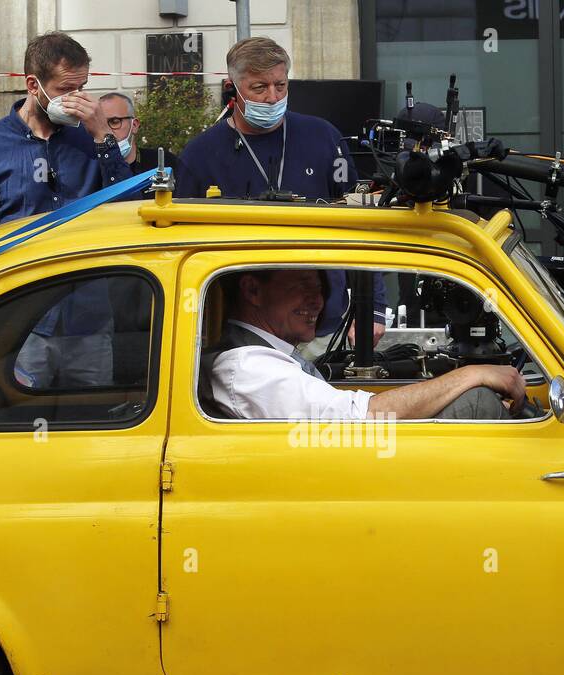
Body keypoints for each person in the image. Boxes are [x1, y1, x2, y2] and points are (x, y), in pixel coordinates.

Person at [177, 37, 382, 348]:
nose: (272, 97)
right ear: (234, 87)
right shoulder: (199, 155)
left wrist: (373, 307)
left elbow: (359, 222)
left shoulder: (324, 137)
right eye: (259, 88)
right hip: (235, 328)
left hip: (320, 323)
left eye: (280, 86)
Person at [202, 269, 527, 422]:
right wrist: (472, 374)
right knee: (478, 403)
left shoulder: (266, 355)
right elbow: (365, 417)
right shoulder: (246, 366)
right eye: (302, 287)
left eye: (320, 289)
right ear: (253, 291)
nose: (317, 301)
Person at [0, 31, 129, 256]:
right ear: (33, 85)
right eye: (65, 89)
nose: (76, 98)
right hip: (20, 285)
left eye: (81, 87)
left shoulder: (92, 137)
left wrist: (105, 138)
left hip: (85, 282)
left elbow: (127, 212)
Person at [98, 92, 177, 176]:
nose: (107, 131)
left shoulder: (164, 162)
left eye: (114, 122)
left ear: (134, 125)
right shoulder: (91, 174)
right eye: (100, 124)